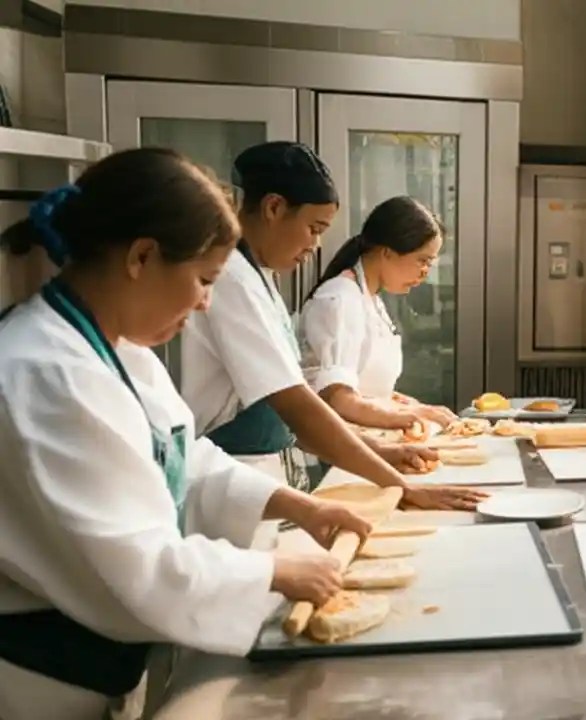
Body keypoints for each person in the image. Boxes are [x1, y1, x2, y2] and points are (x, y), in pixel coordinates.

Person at [0, 148, 372, 720]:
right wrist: (273, 570)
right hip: (42, 681)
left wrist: (296, 506)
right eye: (202, 280)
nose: (203, 304)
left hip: (108, 657)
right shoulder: (43, 374)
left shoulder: (117, 348)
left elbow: (183, 457)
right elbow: (139, 564)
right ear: (142, 256)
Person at [180, 142, 481, 509]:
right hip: (234, 475)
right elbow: (298, 405)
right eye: (313, 227)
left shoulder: (260, 278)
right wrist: (400, 483)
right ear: (273, 207)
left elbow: (293, 415)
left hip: (267, 473)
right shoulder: (232, 280)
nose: (316, 243)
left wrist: (381, 453)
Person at [299, 196, 457, 431]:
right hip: (338, 448)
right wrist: (412, 415)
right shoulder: (341, 298)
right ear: (387, 252)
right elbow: (338, 399)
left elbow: (366, 389)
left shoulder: (371, 299)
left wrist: (407, 404)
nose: (425, 273)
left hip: (368, 439)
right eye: (422, 261)